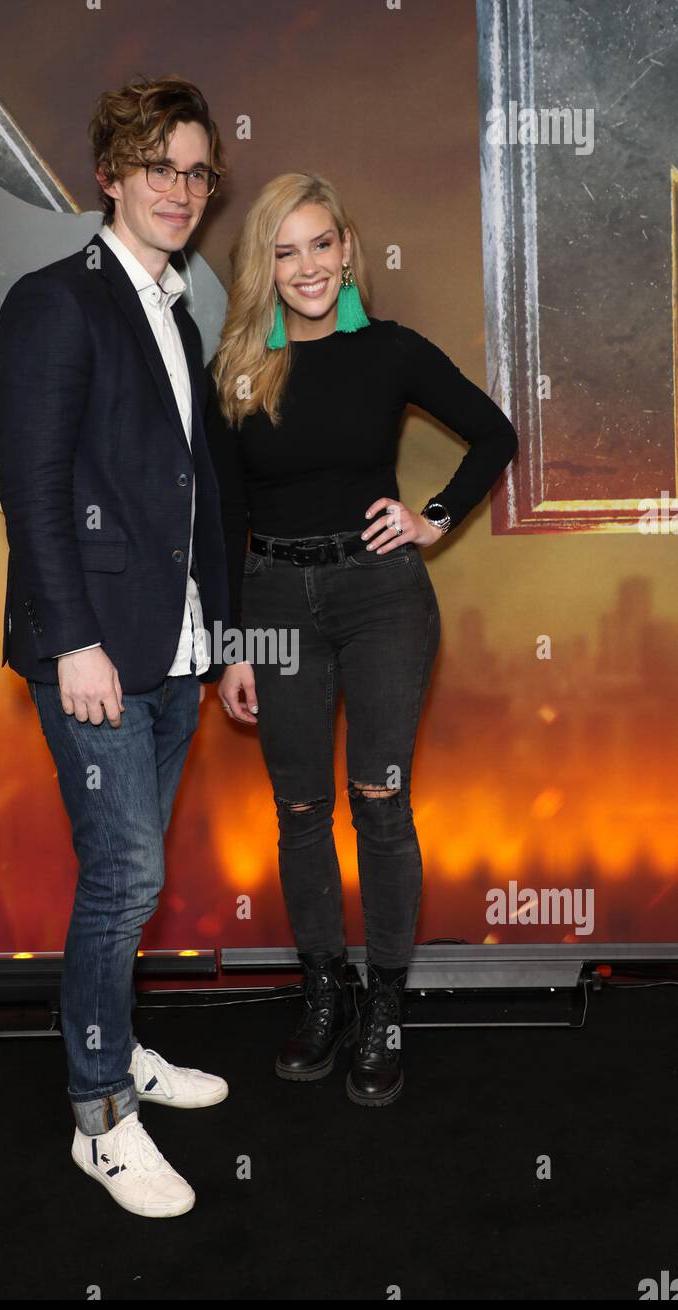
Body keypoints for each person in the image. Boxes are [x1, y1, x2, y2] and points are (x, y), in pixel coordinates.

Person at [205, 172, 519, 1106]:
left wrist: (433, 517)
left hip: (380, 597)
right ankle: (322, 995)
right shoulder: (237, 369)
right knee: (300, 811)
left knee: (379, 800)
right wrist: (230, 643)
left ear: (347, 250)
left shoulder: (390, 352)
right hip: (275, 605)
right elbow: (224, 514)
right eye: (283, 249)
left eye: (319, 245)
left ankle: (386, 1002)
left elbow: (494, 434)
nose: (305, 266)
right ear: (266, 264)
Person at [0, 75, 232, 1217]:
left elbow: (194, 495)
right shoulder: (58, 301)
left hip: (170, 646)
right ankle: (99, 1113)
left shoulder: (174, 310)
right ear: (110, 175)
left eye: (194, 171)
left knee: (133, 877)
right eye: (158, 168)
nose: (179, 189)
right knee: (125, 872)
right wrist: (73, 642)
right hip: (92, 653)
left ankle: (119, 1044)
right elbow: (32, 491)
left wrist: (216, 634)